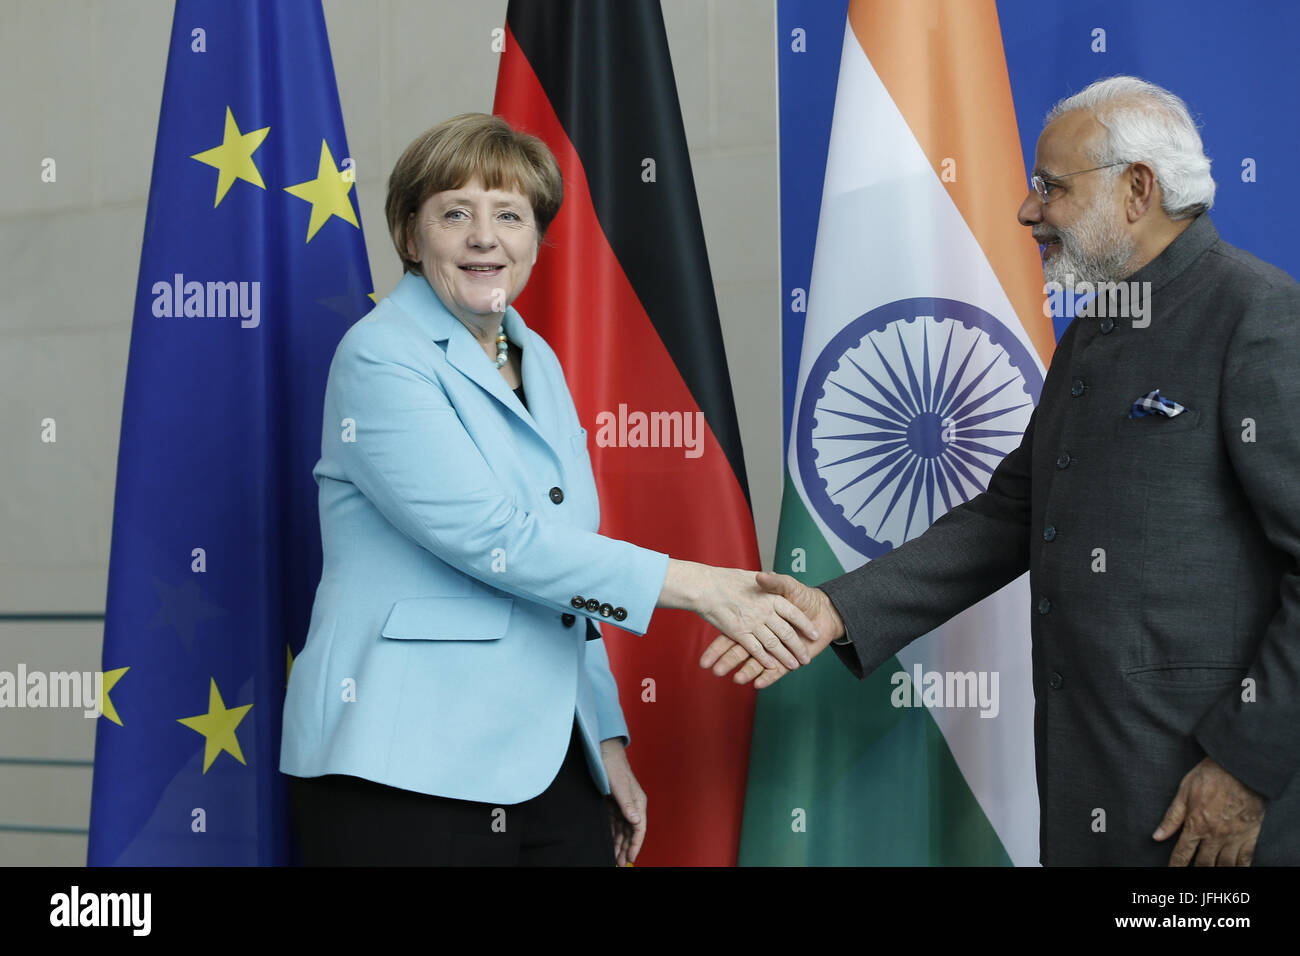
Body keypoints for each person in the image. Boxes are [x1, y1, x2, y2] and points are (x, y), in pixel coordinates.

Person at [703, 76, 1300, 867]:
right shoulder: (1101, 323)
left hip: (1205, 800)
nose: (1027, 209)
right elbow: (1012, 514)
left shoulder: (1257, 314)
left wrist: (1247, 766)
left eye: (1050, 187)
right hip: (1096, 781)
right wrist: (836, 609)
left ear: (1138, 189)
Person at [280, 113, 817, 867]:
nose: (484, 237)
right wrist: (702, 588)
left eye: (510, 216)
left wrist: (606, 744)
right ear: (410, 237)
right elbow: (496, 542)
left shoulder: (538, 361)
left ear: (535, 240)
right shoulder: (379, 358)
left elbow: (568, 568)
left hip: (544, 755)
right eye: (454, 213)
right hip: (403, 761)